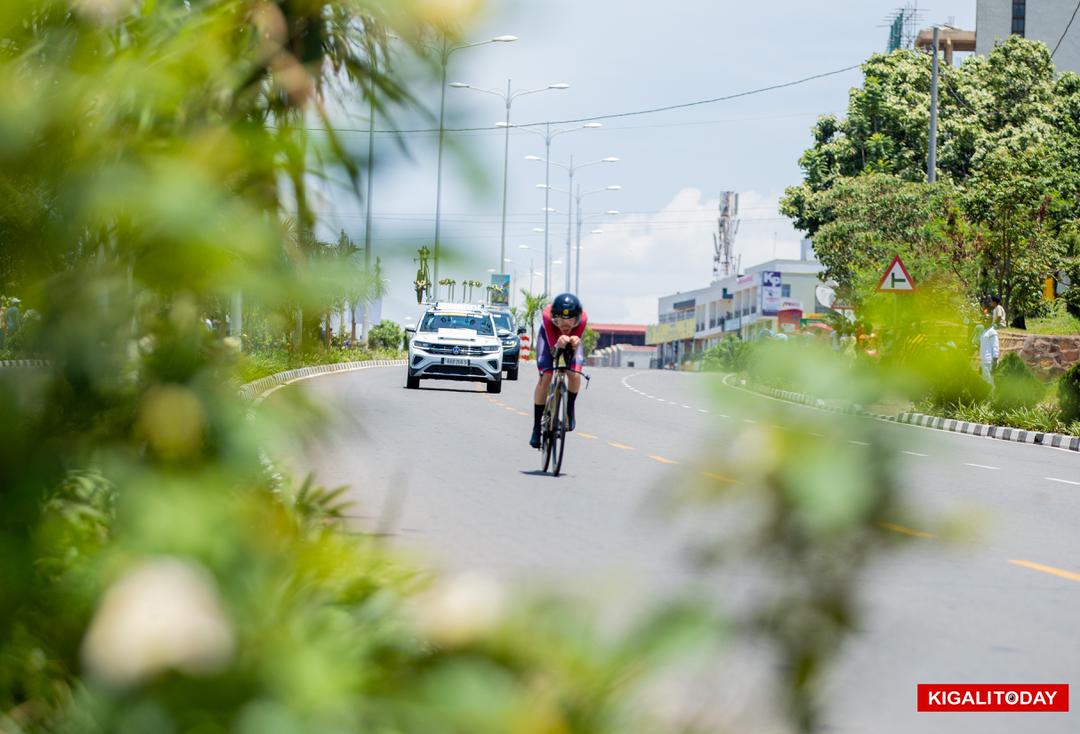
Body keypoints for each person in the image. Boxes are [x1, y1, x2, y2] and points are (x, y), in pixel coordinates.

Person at [530, 293, 587, 448]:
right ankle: (536, 426)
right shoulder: (548, 318)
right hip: (550, 340)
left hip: (572, 343)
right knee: (546, 376)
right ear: (554, 317)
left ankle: (569, 409)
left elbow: (572, 352)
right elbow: (554, 353)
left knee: (574, 374)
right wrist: (558, 345)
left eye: (570, 320)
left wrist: (573, 344)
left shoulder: (582, 320)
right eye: (560, 320)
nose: (565, 324)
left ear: (577, 319)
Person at [979, 315, 999, 386]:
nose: (984, 321)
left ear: (991, 321)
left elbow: (995, 346)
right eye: (983, 319)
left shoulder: (992, 332)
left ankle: (992, 397)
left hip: (989, 362)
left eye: (986, 319)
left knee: (990, 383)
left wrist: (995, 361)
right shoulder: (984, 331)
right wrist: (980, 364)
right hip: (984, 361)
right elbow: (983, 347)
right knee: (984, 382)